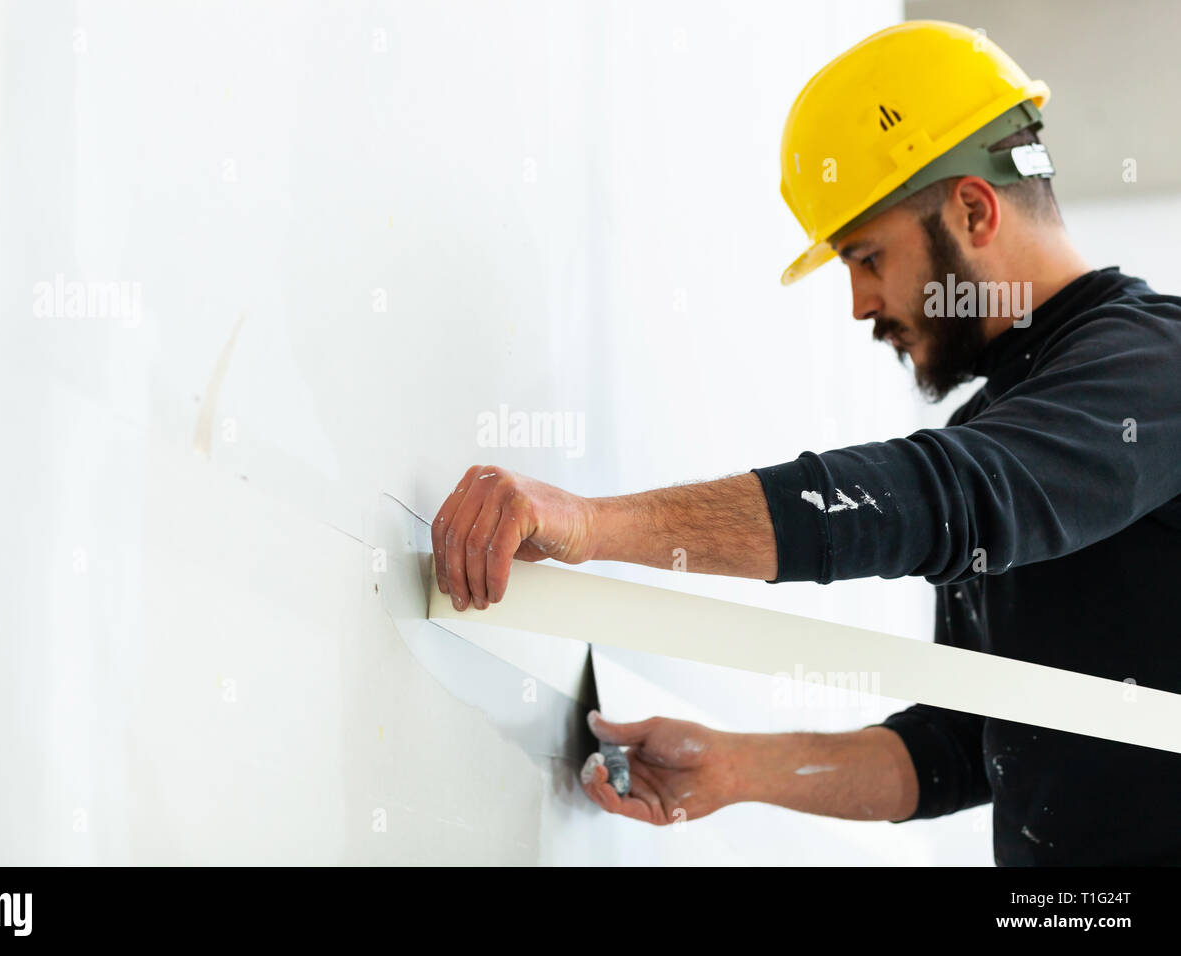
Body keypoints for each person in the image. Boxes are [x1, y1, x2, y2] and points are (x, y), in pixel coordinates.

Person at [429, 21, 1181, 865]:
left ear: (973, 207)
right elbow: (961, 745)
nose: (860, 304)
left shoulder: (1158, 364)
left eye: (867, 256)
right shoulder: (993, 431)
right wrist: (737, 768)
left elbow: (950, 496)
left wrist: (593, 525)